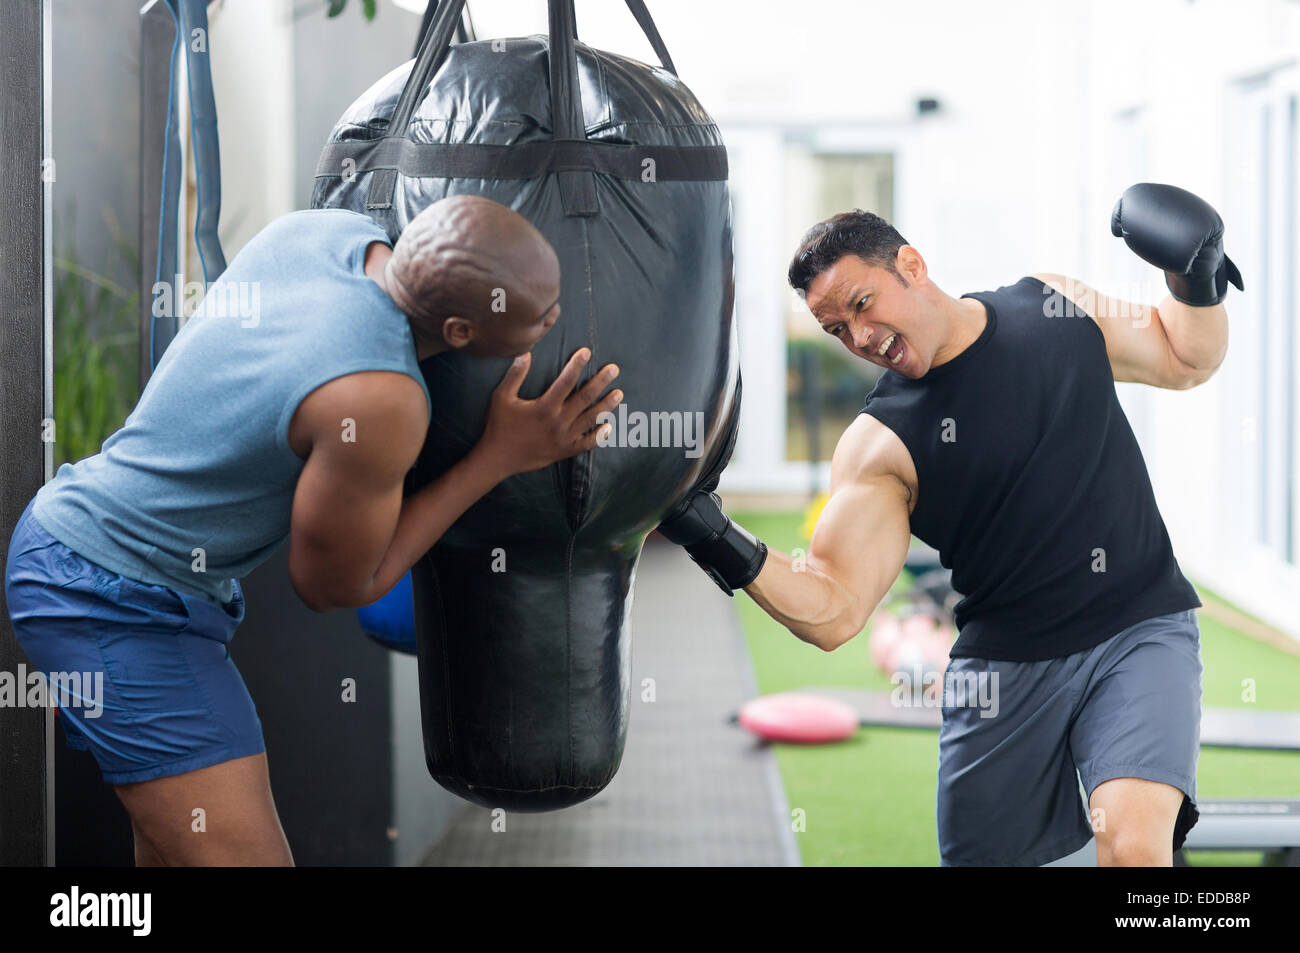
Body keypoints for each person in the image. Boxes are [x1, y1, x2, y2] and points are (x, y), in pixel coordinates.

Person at [5, 194, 621, 865]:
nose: (556, 320)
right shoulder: (379, 399)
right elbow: (333, 587)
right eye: (543, 319)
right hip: (106, 596)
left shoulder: (317, 232)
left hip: (120, 568)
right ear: (461, 334)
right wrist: (499, 457)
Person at [659, 183, 1244, 867]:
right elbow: (835, 611)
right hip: (1002, 668)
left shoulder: (1056, 304)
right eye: (837, 330)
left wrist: (1195, 283)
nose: (861, 338)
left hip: (1137, 627)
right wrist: (707, 528)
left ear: (912, 264)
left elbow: (1184, 359)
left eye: (861, 305)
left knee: (1134, 848)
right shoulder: (879, 444)